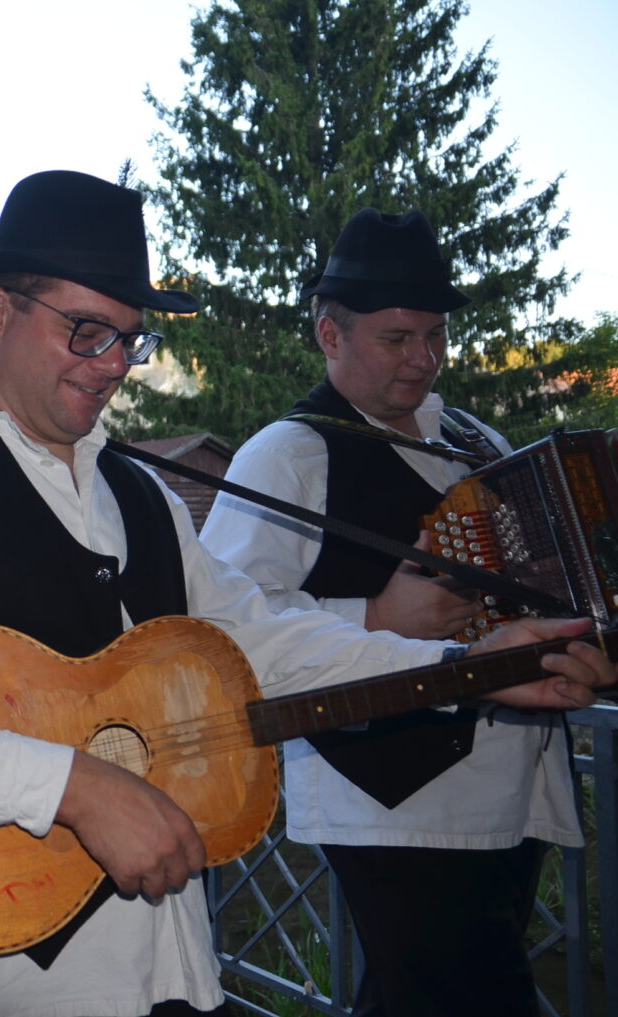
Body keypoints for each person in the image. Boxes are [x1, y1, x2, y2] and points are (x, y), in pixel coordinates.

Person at [0, 170, 613, 1017]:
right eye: (86, 331)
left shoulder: (143, 496)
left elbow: (258, 643)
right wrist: (73, 785)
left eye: (129, 340)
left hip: (166, 963)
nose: (111, 365)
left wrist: (462, 664)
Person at [198, 208, 581, 1017]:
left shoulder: (475, 436)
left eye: (435, 334)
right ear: (329, 335)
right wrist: (375, 614)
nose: (425, 358)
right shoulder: (287, 452)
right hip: (391, 800)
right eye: (398, 337)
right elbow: (222, 629)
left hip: (515, 787)